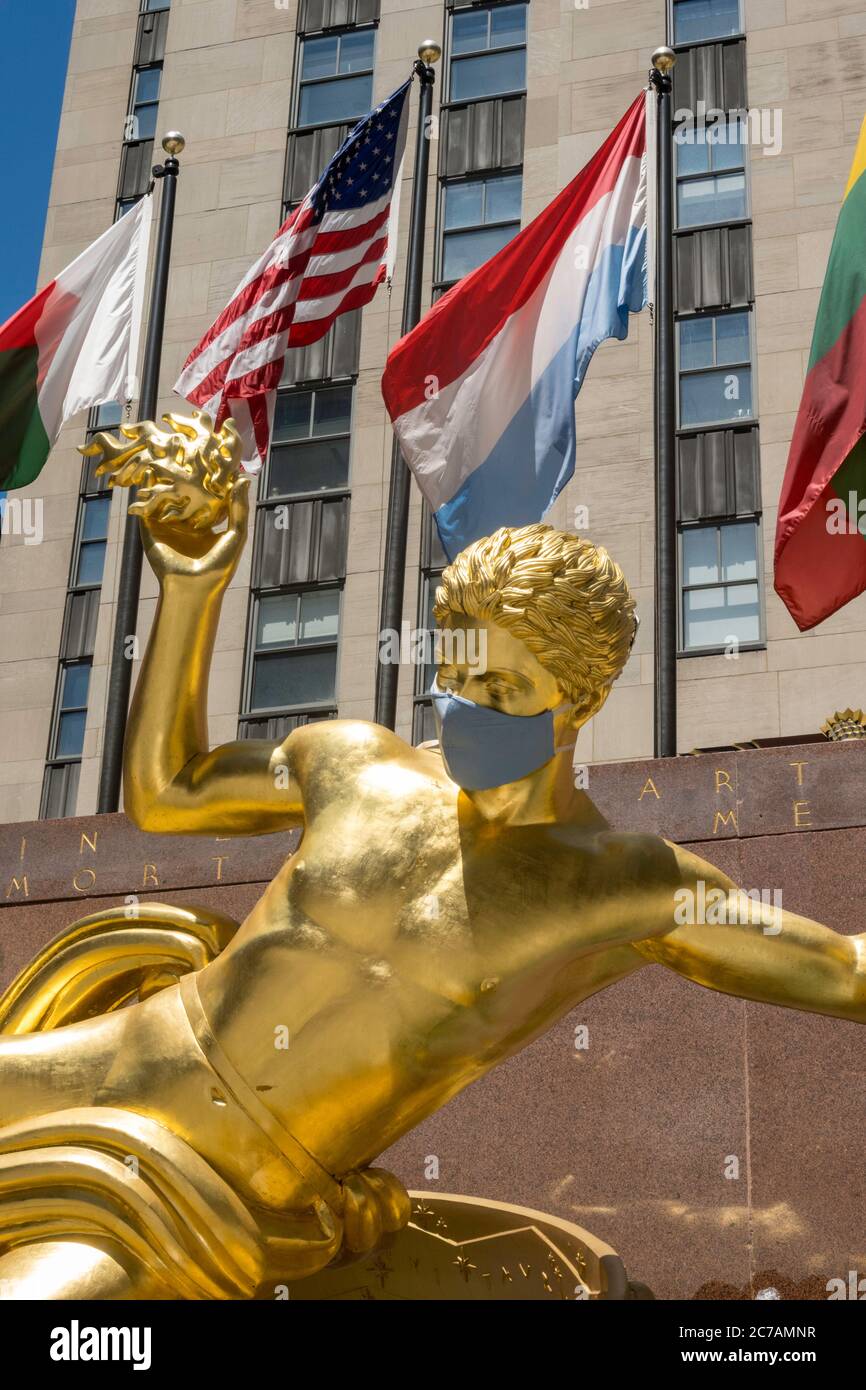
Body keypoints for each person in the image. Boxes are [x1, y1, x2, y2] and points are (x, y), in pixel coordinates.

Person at [1, 415, 862, 1300]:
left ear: (582, 698)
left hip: (213, 1186)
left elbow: (842, 970)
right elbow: (169, 791)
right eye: (456, 678)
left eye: (502, 690)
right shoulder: (357, 762)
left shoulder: (625, 886)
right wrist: (193, 584)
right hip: (98, 1060)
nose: (465, 707)